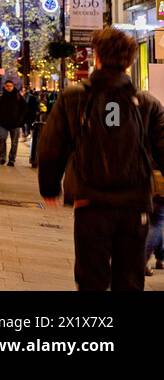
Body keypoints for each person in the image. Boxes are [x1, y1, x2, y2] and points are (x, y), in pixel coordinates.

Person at [39, 26, 164, 291]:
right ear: (129, 62)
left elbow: (51, 145)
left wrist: (49, 186)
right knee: (129, 278)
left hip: (90, 201)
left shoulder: (74, 98)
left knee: (91, 277)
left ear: (96, 57)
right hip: (135, 203)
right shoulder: (148, 104)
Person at [0, 79, 26, 166]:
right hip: (3, 123)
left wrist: (20, 120)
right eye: (7, 86)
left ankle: (12, 160)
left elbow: (24, 108)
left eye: (10, 86)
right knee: (2, 139)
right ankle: (2, 158)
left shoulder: (18, 96)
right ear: (4, 87)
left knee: (14, 143)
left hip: (15, 124)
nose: (9, 88)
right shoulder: (1, 96)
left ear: (13, 87)